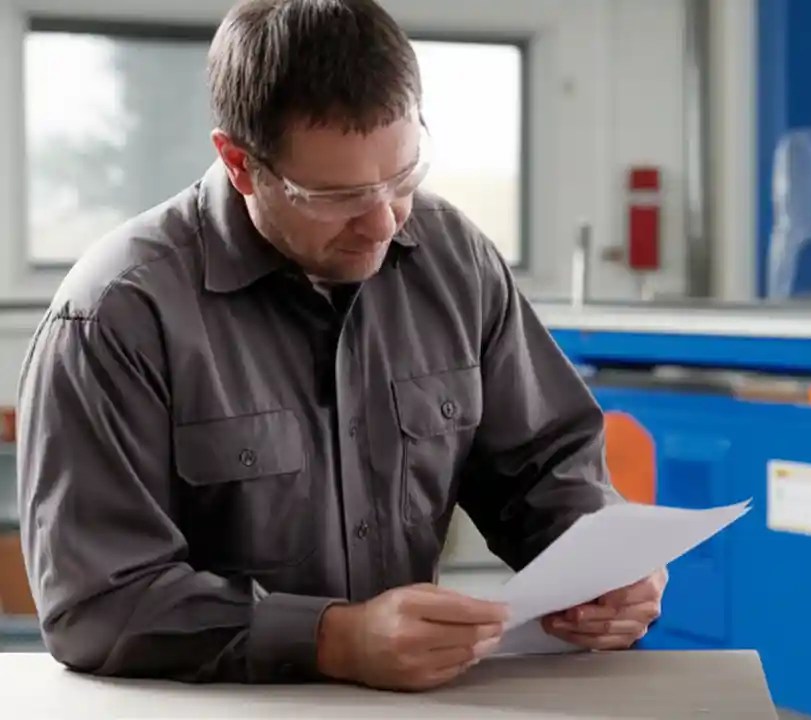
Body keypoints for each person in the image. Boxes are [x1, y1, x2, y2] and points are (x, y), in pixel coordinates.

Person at [15, 0, 665, 691]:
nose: (383, 223)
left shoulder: (454, 260)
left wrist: (604, 567)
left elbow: (545, 466)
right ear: (240, 164)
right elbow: (97, 604)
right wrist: (330, 639)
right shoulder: (115, 315)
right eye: (338, 196)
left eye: (403, 177)